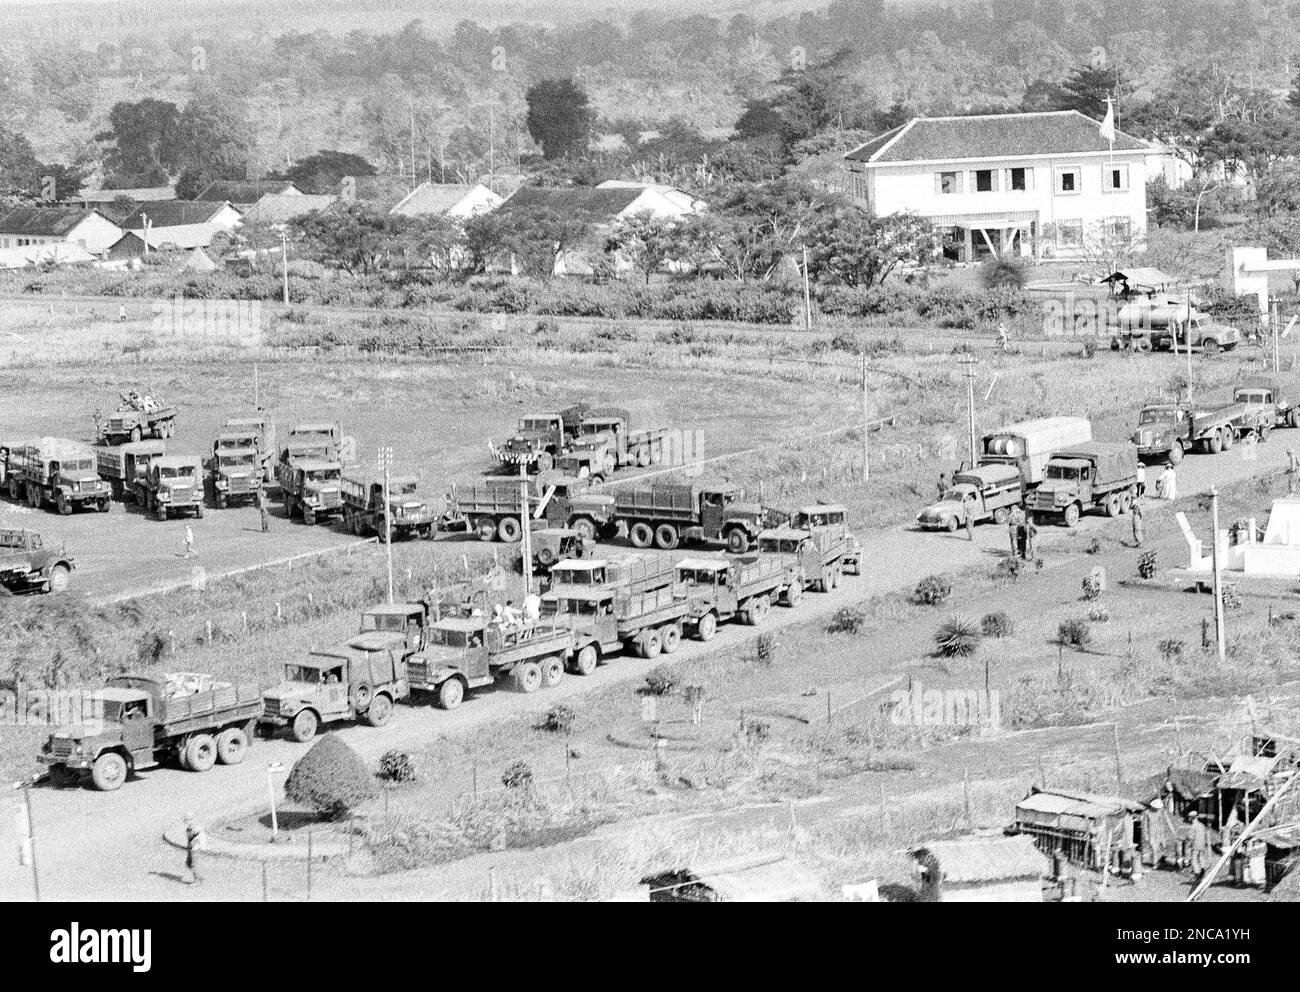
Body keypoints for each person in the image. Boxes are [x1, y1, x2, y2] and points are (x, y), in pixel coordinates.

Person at [183, 813, 201, 885]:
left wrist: (197, 846)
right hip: (190, 848)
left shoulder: (196, 829)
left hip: (195, 849)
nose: (188, 822)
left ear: (193, 820)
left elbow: (200, 838)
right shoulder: (188, 829)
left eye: (190, 820)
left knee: (193, 864)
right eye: (186, 821)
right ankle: (198, 877)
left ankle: (197, 881)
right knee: (188, 863)